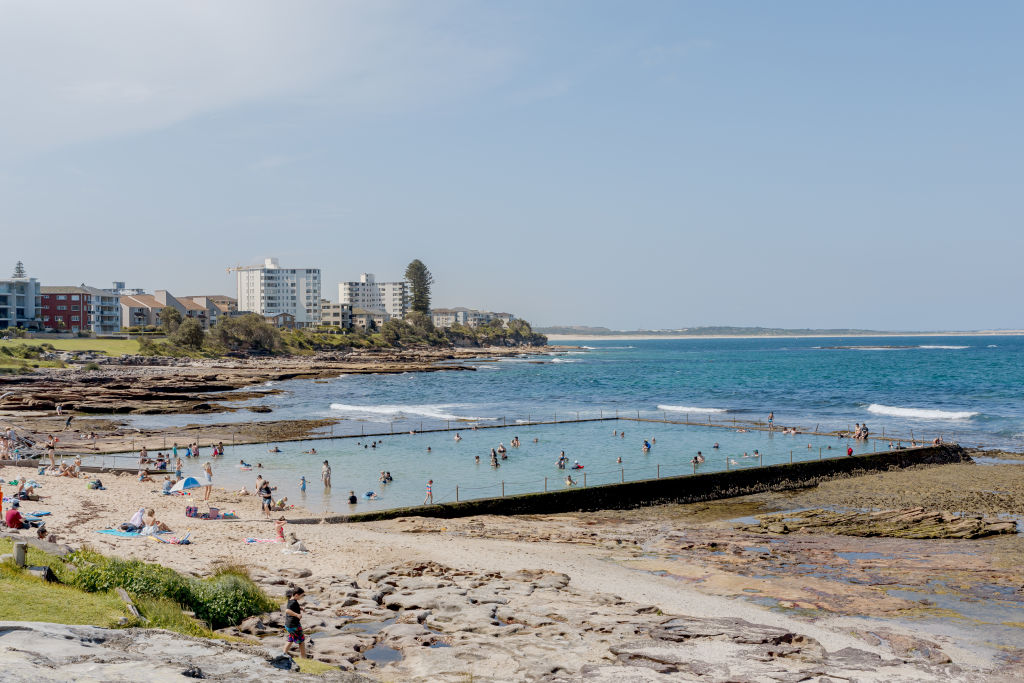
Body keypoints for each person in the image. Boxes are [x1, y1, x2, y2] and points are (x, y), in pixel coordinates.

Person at [282, 587, 307, 660]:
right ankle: (304, 658)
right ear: (296, 595)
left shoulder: (292, 599)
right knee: (301, 641)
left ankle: (283, 653)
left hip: (289, 625)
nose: (301, 597)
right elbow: (287, 610)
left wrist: (300, 608)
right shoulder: (293, 602)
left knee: (291, 639)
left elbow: (293, 607)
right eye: (301, 596)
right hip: (294, 625)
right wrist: (297, 615)